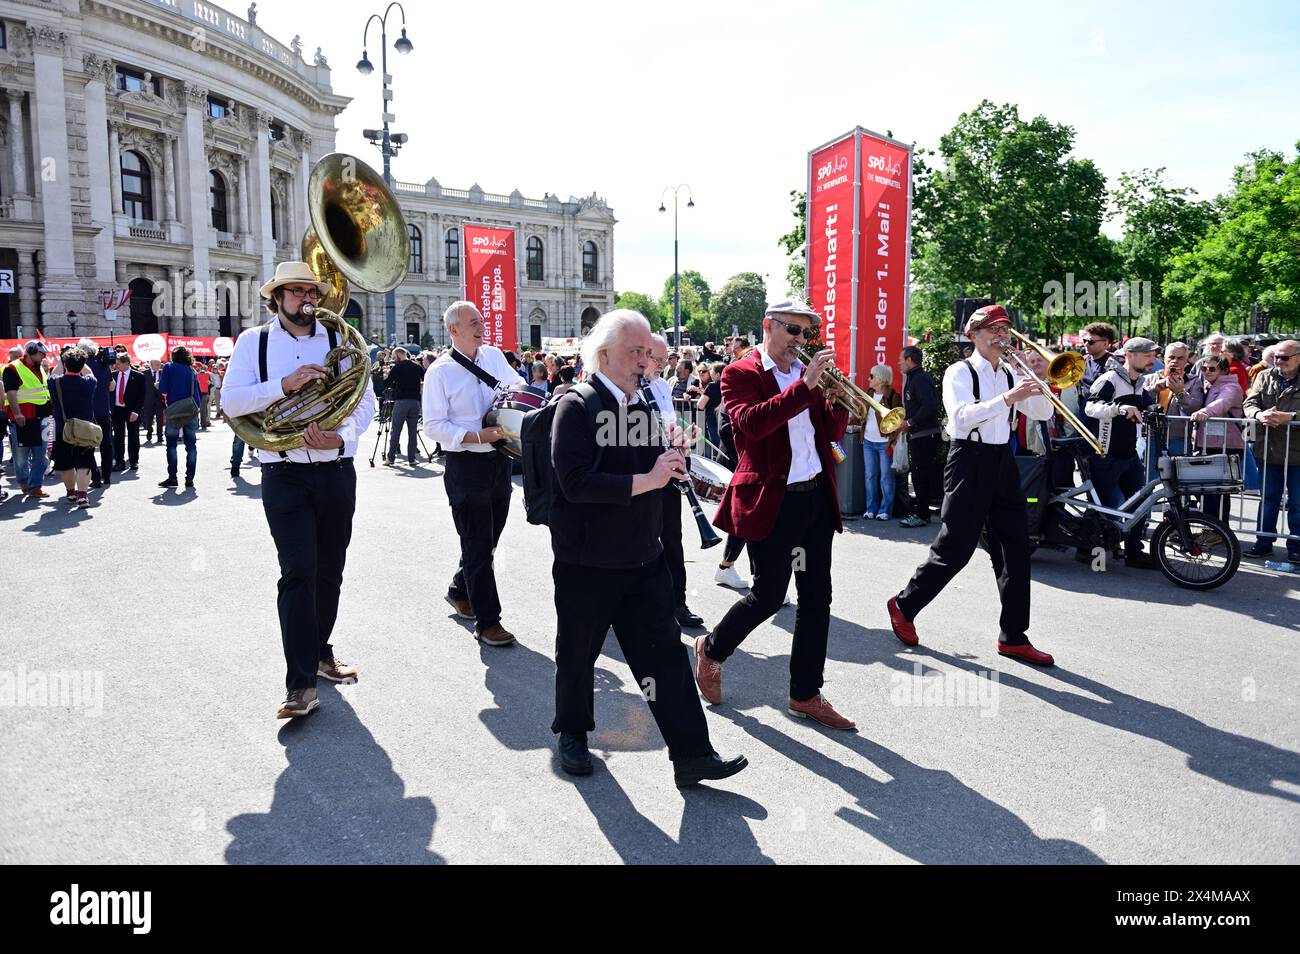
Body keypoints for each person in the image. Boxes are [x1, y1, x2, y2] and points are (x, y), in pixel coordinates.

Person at [549, 309, 748, 786]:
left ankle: (692, 754)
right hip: (588, 560)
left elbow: (658, 473)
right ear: (604, 356)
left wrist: (677, 459)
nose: (645, 361)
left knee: (664, 658)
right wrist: (650, 477)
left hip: (642, 556)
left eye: (647, 353)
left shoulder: (642, 407)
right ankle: (573, 733)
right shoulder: (576, 406)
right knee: (578, 654)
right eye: (634, 352)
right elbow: (575, 483)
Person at [220, 260, 377, 718]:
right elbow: (231, 401)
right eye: (296, 292)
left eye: (311, 292)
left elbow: (364, 399)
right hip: (284, 472)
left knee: (330, 571)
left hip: (335, 470)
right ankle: (300, 683)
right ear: (277, 298)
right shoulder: (254, 342)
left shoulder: (340, 339)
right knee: (298, 572)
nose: (307, 299)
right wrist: (284, 385)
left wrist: (342, 436)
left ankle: (321, 651)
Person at [695, 299, 856, 729]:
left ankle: (805, 693)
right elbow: (750, 426)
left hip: (816, 496)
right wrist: (804, 386)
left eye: (806, 334)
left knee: (817, 596)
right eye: (793, 331)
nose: (800, 341)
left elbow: (830, 434)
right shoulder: (740, 373)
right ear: (768, 326)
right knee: (768, 595)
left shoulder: (808, 376)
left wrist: (837, 402)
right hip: (773, 498)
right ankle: (712, 648)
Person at [886, 304, 1057, 667]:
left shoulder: (1012, 372)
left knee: (1015, 547)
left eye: (1005, 330)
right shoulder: (958, 372)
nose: (1002, 337)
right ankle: (905, 604)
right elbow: (961, 419)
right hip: (968, 460)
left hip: (1002, 462)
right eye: (993, 330)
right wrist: (1008, 399)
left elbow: (1044, 414)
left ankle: (1013, 635)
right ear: (974, 335)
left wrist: (1038, 382)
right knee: (956, 547)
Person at [422, 301, 517, 647]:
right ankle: (488, 622)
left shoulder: (493, 356)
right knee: (477, 543)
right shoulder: (440, 372)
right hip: (465, 465)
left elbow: (516, 386)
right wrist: (475, 436)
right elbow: (433, 424)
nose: (481, 326)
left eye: (482, 320)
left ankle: (458, 589)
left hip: (499, 461)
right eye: (473, 322)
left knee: (488, 540)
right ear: (454, 330)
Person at [642, 334, 705, 629]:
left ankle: (676, 602)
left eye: (664, 358)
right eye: (657, 358)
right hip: (642, 474)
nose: (662, 364)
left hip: (668, 470)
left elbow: (668, 424)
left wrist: (683, 438)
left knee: (672, 539)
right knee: (641, 539)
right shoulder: (628, 385)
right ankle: (638, 605)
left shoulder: (660, 385)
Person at [1084, 337, 1161, 568]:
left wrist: (1154, 408)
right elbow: (1090, 407)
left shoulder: (1139, 382)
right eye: (1147, 355)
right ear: (1130, 355)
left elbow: (1147, 403)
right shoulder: (1110, 379)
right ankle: (1093, 555)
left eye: (1153, 355)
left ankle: (1134, 553)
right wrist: (1119, 408)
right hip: (1105, 455)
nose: (1152, 360)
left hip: (1128, 454)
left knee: (1140, 503)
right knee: (1105, 508)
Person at [1242, 339, 1300, 567]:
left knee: (1297, 502)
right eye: (1276, 356)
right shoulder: (1265, 376)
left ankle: (1296, 547)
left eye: (1284, 357)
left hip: (1297, 453)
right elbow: (1250, 402)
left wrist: (1292, 417)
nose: (1278, 361)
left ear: (1298, 357)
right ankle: (1263, 542)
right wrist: (1258, 415)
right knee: (1268, 499)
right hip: (1268, 449)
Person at [1189, 354, 1245, 525]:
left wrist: (1205, 412)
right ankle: (1214, 529)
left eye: (1212, 368)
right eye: (1204, 368)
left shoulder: (1231, 387)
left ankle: (1217, 530)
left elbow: (1222, 403)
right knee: (1207, 490)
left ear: (1224, 370)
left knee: (1218, 492)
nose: (1207, 371)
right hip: (1210, 444)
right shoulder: (1208, 386)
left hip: (1226, 446)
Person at [897, 345, 941, 527]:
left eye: (901, 360)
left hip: (925, 435)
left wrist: (910, 422)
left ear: (909, 360)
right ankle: (922, 513)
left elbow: (929, 406)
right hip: (919, 435)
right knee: (918, 476)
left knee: (920, 476)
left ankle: (922, 515)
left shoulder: (920, 379)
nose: (899, 363)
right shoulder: (914, 378)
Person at [48, 346, 97, 508]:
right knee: (84, 463)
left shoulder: (55, 383)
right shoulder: (89, 382)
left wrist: (62, 360)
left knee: (66, 463)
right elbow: (89, 373)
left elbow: (54, 373)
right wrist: (80, 361)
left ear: (66, 364)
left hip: (63, 429)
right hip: (84, 429)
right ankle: (82, 495)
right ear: (82, 363)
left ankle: (70, 492)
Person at [3, 340, 53, 498]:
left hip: (43, 417)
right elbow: (11, 393)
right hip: (24, 418)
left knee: (41, 453)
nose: (44, 356)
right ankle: (24, 482)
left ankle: (35, 485)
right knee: (21, 455)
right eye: (41, 353)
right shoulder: (13, 368)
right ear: (31, 352)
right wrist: (17, 413)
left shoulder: (40, 367)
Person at [156, 346, 200, 489]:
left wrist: (158, 385)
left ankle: (173, 478)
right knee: (191, 446)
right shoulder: (192, 370)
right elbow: (197, 394)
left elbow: (162, 389)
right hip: (190, 410)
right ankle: (190, 479)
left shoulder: (169, 367)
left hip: (175, 410)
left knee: (171, 444)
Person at [862, 363, 902, 520]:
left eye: (871, 376)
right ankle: (870, 509)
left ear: (879, 379)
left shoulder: (893, 396)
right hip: (867, 441)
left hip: (884, 443)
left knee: (886, 477)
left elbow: (898, 421)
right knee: (870, 476)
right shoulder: (868, 394)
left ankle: (885, 510)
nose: (869, 379)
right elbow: (862, 415)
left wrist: (893, 440)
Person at [80, 340, 114, 488]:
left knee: (88, 445)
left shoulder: (80, 365)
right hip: (104, 409)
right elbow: (112, 387)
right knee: (106, 443)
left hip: (88, 411)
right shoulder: (104, 364)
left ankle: (95, 477)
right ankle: (107, 475)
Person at [382, 347, 424, 466]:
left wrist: (386, 375)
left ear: (400, 355)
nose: (394, 360)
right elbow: (424, 378)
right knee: (412, 431)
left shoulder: (398, 367)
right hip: (415, 402)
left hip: (401, 401)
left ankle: (390, 458)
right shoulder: (417, 366)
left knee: (396, 431)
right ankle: (412, 459)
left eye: (395, 357)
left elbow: (387, 384)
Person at [109, 352, 145, 473]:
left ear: (126, 363)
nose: (116, 365)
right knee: (118, 437)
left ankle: (134, 461)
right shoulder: (113, 375)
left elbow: (141, 396)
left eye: (119, 363)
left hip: (131, 410)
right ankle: (119, 461)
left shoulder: (138, 376)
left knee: (133, 436)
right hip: (117, 410)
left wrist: (136, 411)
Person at [141, 358, 164, 444]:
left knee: (160, 419)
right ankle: (149, 431)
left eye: (159, 364)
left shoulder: (162, 373)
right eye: (157, 364)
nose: (159, 366)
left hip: (159, 400)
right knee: (148, 418)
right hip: (148, 400)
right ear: (151, 365)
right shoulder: (144, 373)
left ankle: (160, 436)